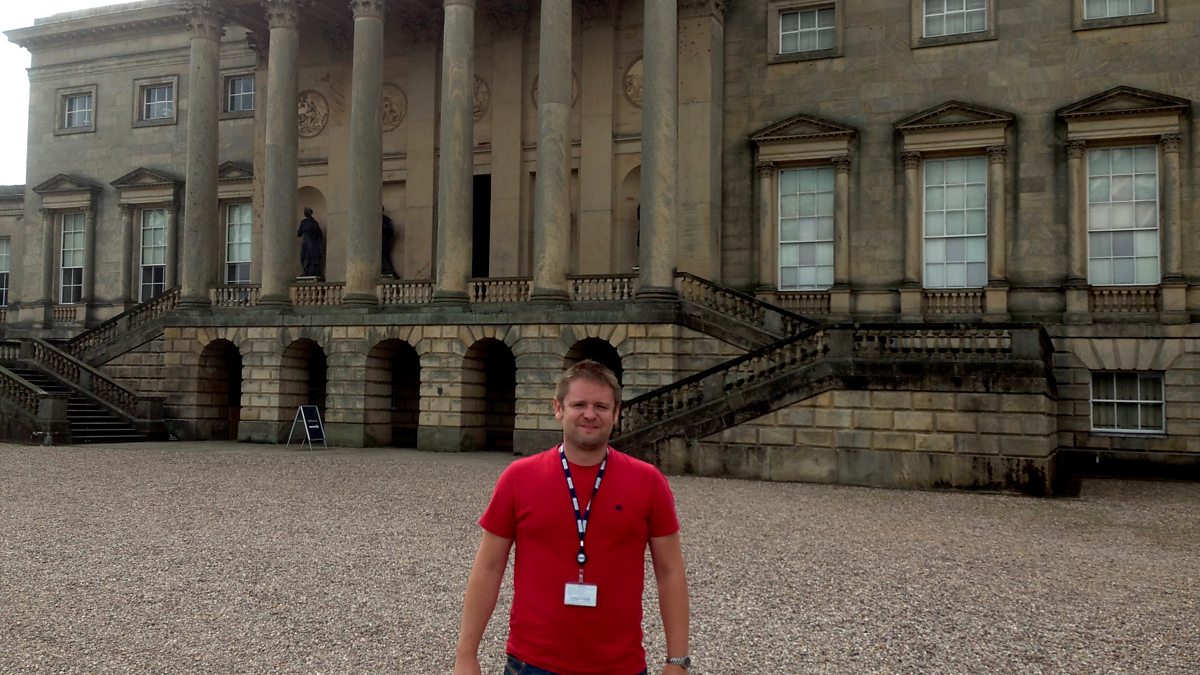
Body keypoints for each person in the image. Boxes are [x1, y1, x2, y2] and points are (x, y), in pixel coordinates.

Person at [453, 360, 691, 675]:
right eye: (579, 404)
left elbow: (670, 573)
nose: (590, 414)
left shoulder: (649, 482)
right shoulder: (518, 478)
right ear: (558, 409)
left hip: (619, 666)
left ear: (616, 413)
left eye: (601, 406)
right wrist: (466, 655)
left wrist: (678, 661)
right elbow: (487, 568)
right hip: (533, 664)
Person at [297, 207, 323, 277]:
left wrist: (320, 246)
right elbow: (299, 234)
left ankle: (311, 272)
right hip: (306, 242)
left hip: (312, 243)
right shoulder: (304, 222)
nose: (304, 213)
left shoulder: (314, 223)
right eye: (304, 212)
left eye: (306, 212)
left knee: (311, 257)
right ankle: (306, 271)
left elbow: (319, 234)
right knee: (304, 256)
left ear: (309, 213)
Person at [381, 207, 396, 277]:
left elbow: (390, 231)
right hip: (378, 243)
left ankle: (388, 271)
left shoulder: (386, 219)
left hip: (383, 242)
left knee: (383, 256)